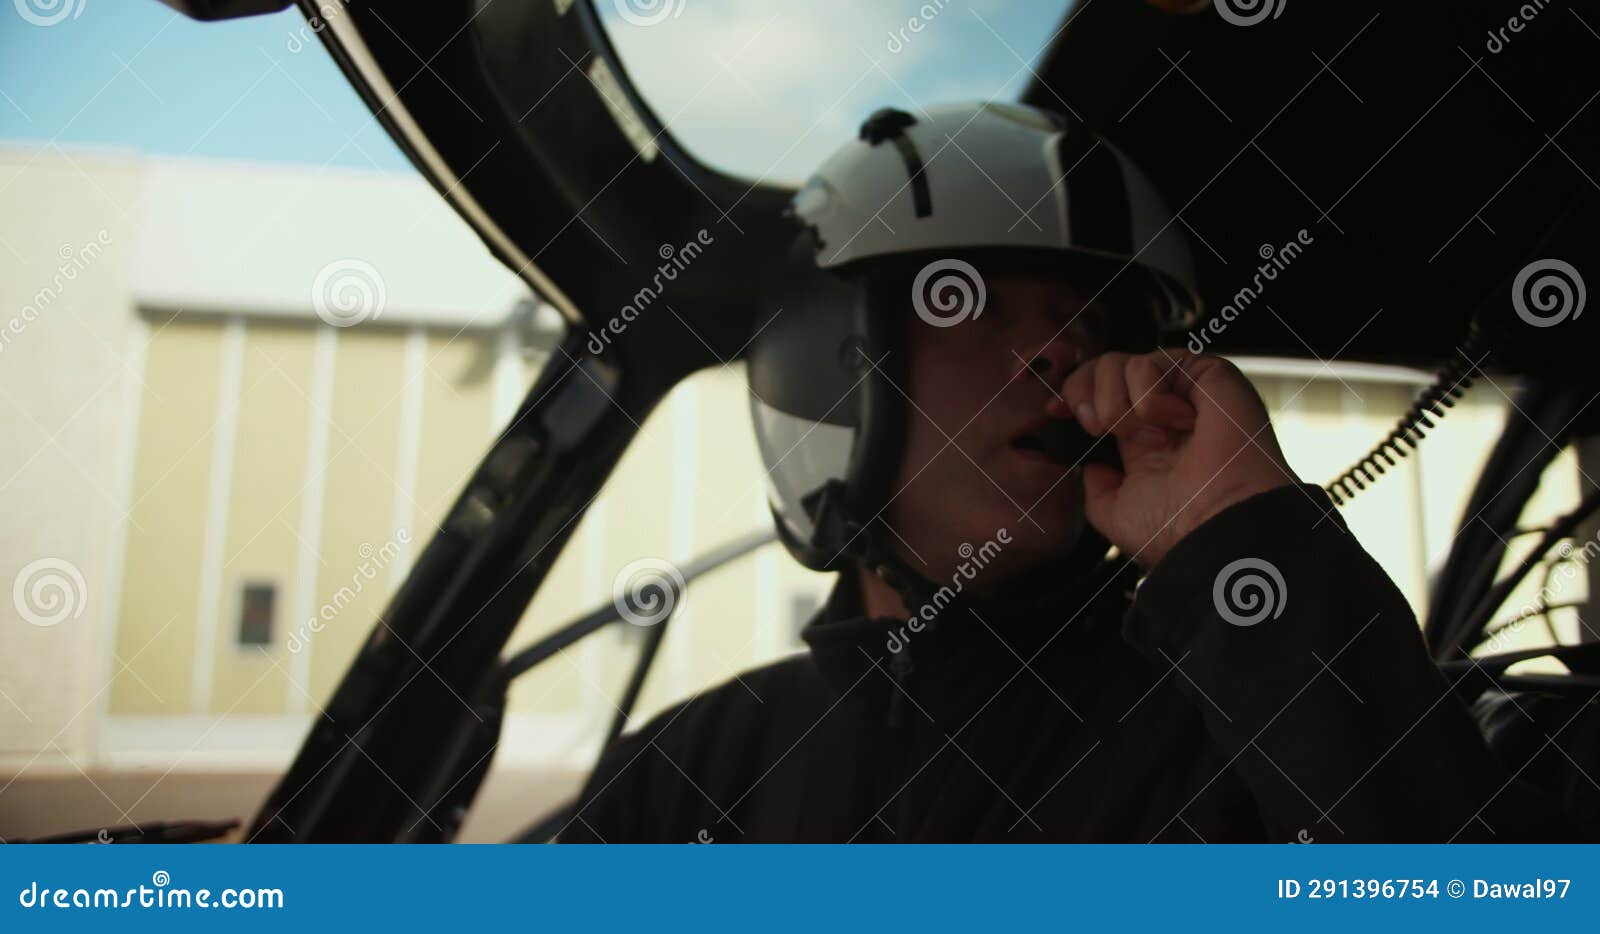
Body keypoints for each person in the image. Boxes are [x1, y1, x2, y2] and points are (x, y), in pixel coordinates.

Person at [561, 102, 1575, 842]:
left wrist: (1240, 541)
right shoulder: (696, 771)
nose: (1060, 355)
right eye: (971, 305)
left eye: (1084, 322)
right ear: (833, 368)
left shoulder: (1250, 736)